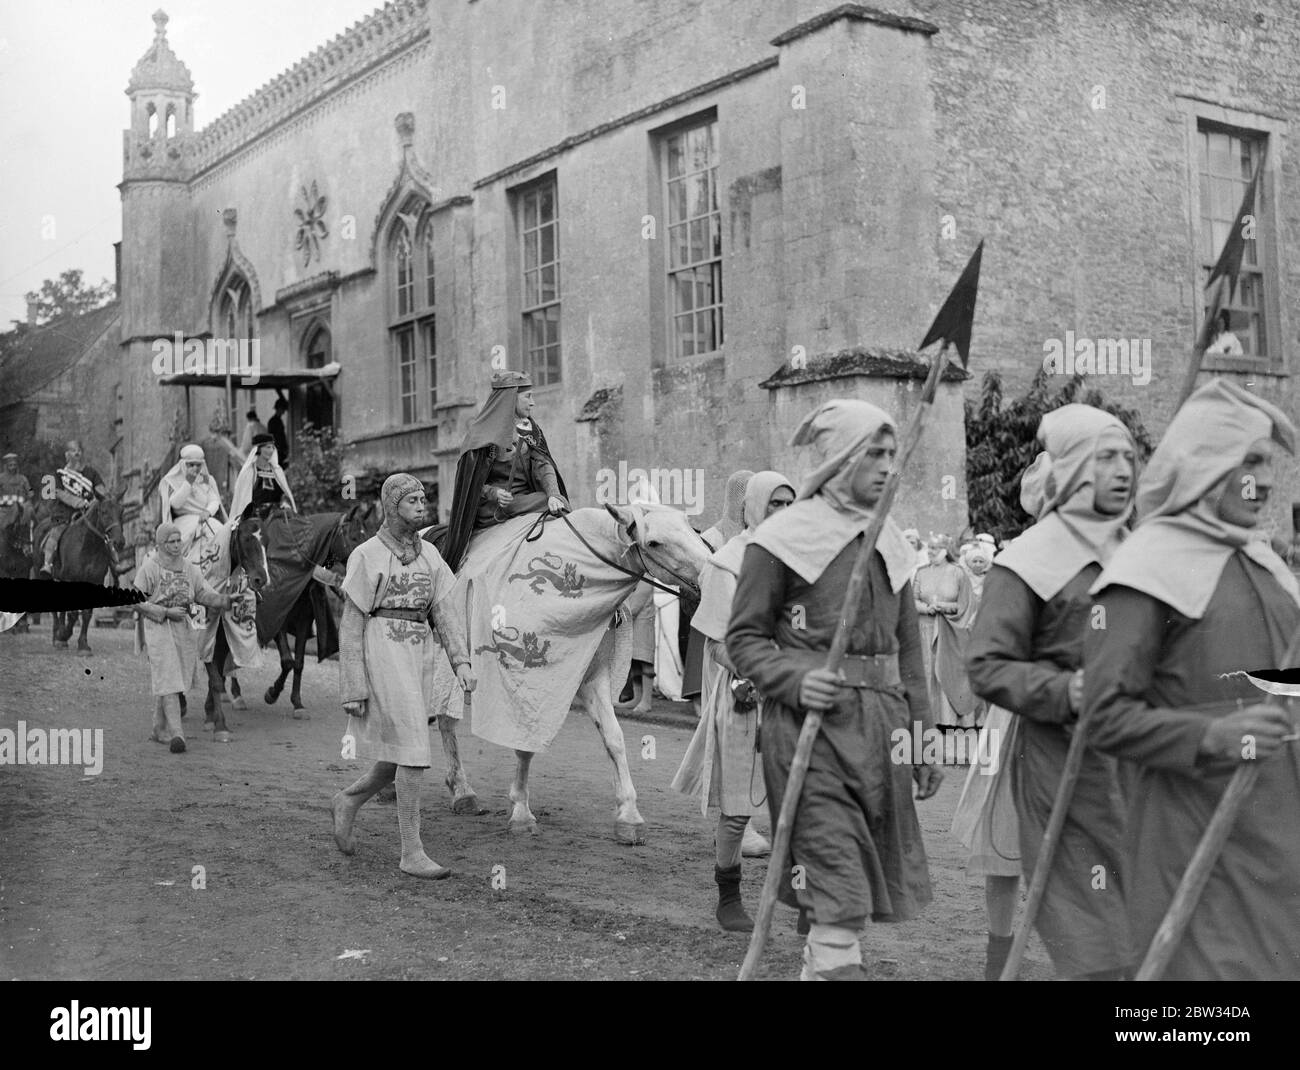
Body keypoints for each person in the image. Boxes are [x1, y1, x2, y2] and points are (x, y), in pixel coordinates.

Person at [1085, 379, 1300, 980]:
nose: (1267, 481)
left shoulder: (1264, 563)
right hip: (1195, 822)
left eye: (1268, 463)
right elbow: (1103, 716)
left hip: (1281, 822)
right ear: (1208, 466)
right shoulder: (1142, 572)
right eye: (1250, 463)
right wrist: (1212, 735)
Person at [727, 399, 942, 980]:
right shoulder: (780, 539)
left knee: (846, 904)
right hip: (810, 735)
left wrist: (922, 743)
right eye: (874, 452)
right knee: (839, 890)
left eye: (893, 454)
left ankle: (821, 961)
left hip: (883, 732)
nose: (886, 465)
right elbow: (743, 639)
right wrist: (796, 678)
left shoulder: (890, 540)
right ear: (841, 458)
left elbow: (911, 660)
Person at [964, 404, 1137, 981]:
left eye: (1128, 459)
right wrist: (1067, 691)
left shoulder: (1138, 556)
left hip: (1140, 764)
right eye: (1105, 459)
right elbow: (986, 665)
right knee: (1092, 940)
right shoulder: (1026, 563)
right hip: (1056, 757)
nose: (1123, 472)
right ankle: (998, 960)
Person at [331, 473, 476, 878]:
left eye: (423, 498)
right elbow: (352, 623)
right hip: (382, 652)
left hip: (418, 655)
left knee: (399, 753)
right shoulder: (367, 554)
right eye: (411, 500)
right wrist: (353, 685)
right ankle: (411, 852)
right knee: (413, 746)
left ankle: (348, 800)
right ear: (392, 506)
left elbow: (444, 613)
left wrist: (461, 662)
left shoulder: (430, 555)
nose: (421, 505)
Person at [672, 471, 795, 931]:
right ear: (754, 506)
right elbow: (717, 643)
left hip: (791, 693)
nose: (783, 512)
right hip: (743, 692)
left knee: (800, 795)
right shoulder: (726, 563)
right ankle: (729, 896)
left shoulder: (802, 560)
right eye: (775, 504)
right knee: (738, 805)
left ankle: (802, 893)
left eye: (790, 504)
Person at [441, 371, 569, 573]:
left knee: (556, 503)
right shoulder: (481, 435)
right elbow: (469, 484)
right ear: (510, 399)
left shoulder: (530, 429)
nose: (533, 402)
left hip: (526, 500)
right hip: (494, 509)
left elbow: (543, 464)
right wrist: (494, 494)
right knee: (543, 502)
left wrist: (553, 494)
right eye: (527, 397)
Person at [134, 522, 234, 753]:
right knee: (168, 676)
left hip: (184, 629)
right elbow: (135, 599)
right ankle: (177, 735)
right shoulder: (150, 568)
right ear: (160, 544)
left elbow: (202, 594)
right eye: (172, 541)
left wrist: (228, 600)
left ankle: (159, 729)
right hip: (158, 628)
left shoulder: (190, 568)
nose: (177, 545)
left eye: (179, 540)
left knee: (174, 678)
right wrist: (164, 612)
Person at [913, 533, 975, 729]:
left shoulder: (958, 573)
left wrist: (943, 607)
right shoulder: (921, 572)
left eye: (935, 548)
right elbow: (913, 599)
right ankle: (930, 717)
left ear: (946, 550)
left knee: (948, 670)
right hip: (925, 628)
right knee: (927, 669)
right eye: (929, 548)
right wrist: (926, 608)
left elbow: (966, 606)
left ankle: (951, 719)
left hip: (950, 630)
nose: (930, 552)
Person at [37, 439, 123, 577]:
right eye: (73, 450)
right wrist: (79, 503)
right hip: (64, 513)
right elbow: (60, 493)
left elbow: (101, 490)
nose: (77, 453)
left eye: (79, 450)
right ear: (67, 455)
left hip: (88, 512)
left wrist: (101, 498)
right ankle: (47, 564)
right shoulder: (59, 474)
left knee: (104, 533)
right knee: (56, 533)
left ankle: (115, 564)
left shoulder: (91, 473)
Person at [158, 444, 225, 559]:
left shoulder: (206, 480)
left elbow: (214, 500)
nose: (195, 468)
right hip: (184, 521)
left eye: (198, 465)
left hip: (205, 518)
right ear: (184, 464)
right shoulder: (173, 480)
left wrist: (207, 512)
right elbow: (175, 504)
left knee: (221, 532)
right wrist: (188, 483)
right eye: (191, 465)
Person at [230, 433, 296, 521]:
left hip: (277, 514)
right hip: (256, 517)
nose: (271, 450)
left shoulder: (277, 471)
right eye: (268, 447)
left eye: (273, 447)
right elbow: (244, 500)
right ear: (258, 449)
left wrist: (285, 502)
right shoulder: (249, 471)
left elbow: (283, 493)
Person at [0, 452, 33, 539]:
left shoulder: (23, 478)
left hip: (22, 507)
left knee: (31, 512)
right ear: (6, 466)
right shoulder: (1, 478)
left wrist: (30, 494)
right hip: (5, 507)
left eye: (14, 465)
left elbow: (30, 490)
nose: (13, 467)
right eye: (10, 465)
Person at [267, 395, 291, 468]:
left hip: (280, 451)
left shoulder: (277, 420)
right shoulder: (273, 421)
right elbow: (274, 437)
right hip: (277, 451)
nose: (283, 412)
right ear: (279, 409)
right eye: (283, 409)